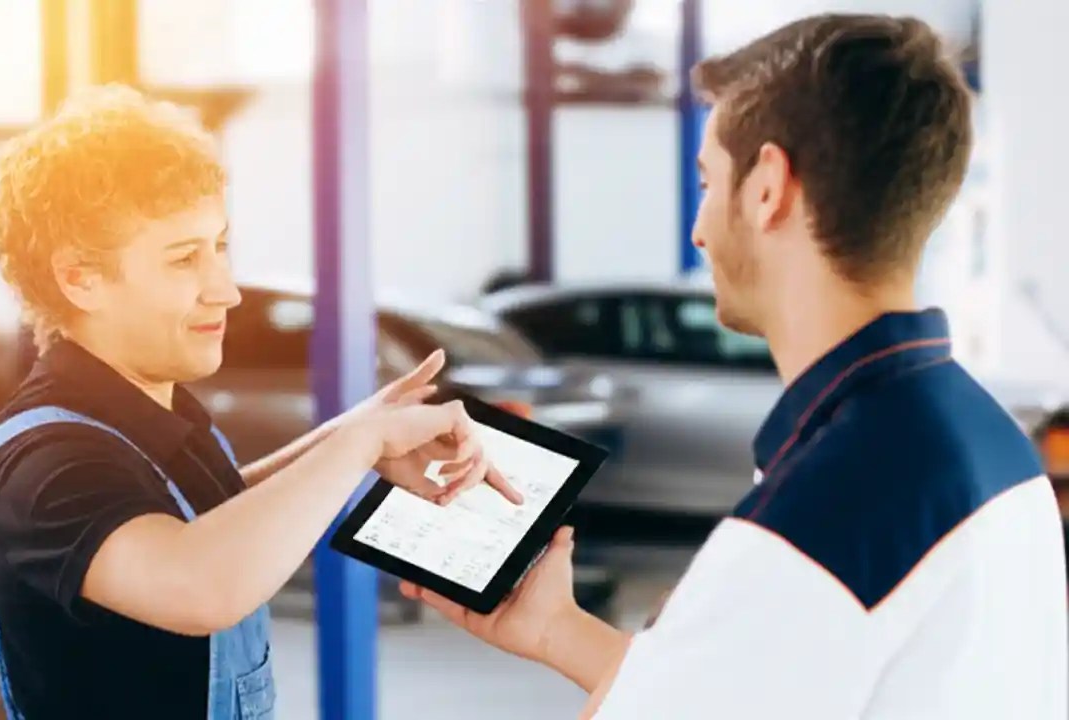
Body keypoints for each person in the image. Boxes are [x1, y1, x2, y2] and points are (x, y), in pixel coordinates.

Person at [401, 13, 1068, 719]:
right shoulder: (986, 443)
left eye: (707, 182)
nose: (699, 229)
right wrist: (558, 631)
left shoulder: (820, 515)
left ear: (767, 188)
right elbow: (749, 686)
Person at [0, 85, 522, 719]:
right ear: (80, 278)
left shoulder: (153, 416)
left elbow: (207, 513)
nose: (226, 290)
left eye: (220, 247)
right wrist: (358, 444)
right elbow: (198, 582)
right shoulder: (43, 459)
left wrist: (355, 436)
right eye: (184, 260)